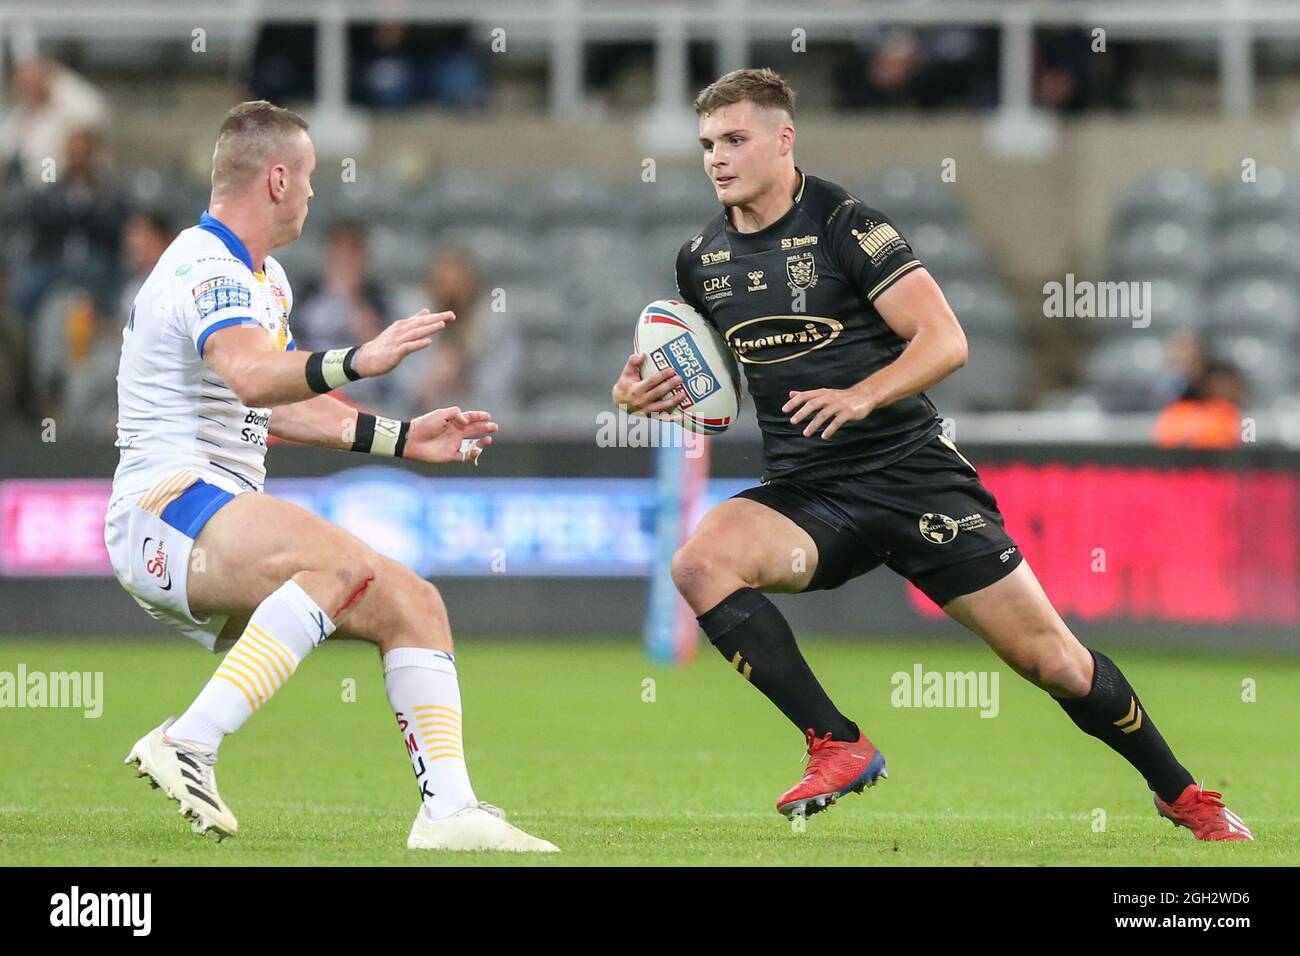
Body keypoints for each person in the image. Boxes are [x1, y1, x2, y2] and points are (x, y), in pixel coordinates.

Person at [610, 68, 1251, 841]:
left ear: (784, 140)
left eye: (736, 139)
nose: (718, 157)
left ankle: (1182, 794)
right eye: (709, 142)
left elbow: (946, 340)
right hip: (809, 493)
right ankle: (837, 741)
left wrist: (863, 394)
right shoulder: (700, 259)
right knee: (699, 563)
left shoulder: (848, 226)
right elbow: (727, 394)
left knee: (1056, 664)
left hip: (913, 480)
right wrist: (653, 396)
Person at [107, 100, 556, 852]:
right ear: (277, 179)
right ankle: (190, 740)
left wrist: (403, 437)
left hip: (217, 513)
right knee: (340, 561)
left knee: (413, 602)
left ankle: (449, 810)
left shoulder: (266, 279)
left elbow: (276, 409)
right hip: (166, 508)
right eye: (310, 177)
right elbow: (253, 377)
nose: (315, 193)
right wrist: (359, 359)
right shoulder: (203, 266)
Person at [1154, 358, 1247, 449]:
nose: (1227, 390)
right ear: (1206, 385)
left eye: (1231, 385)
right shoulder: (1176, 412)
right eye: (1221, 384)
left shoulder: (1232, 414)